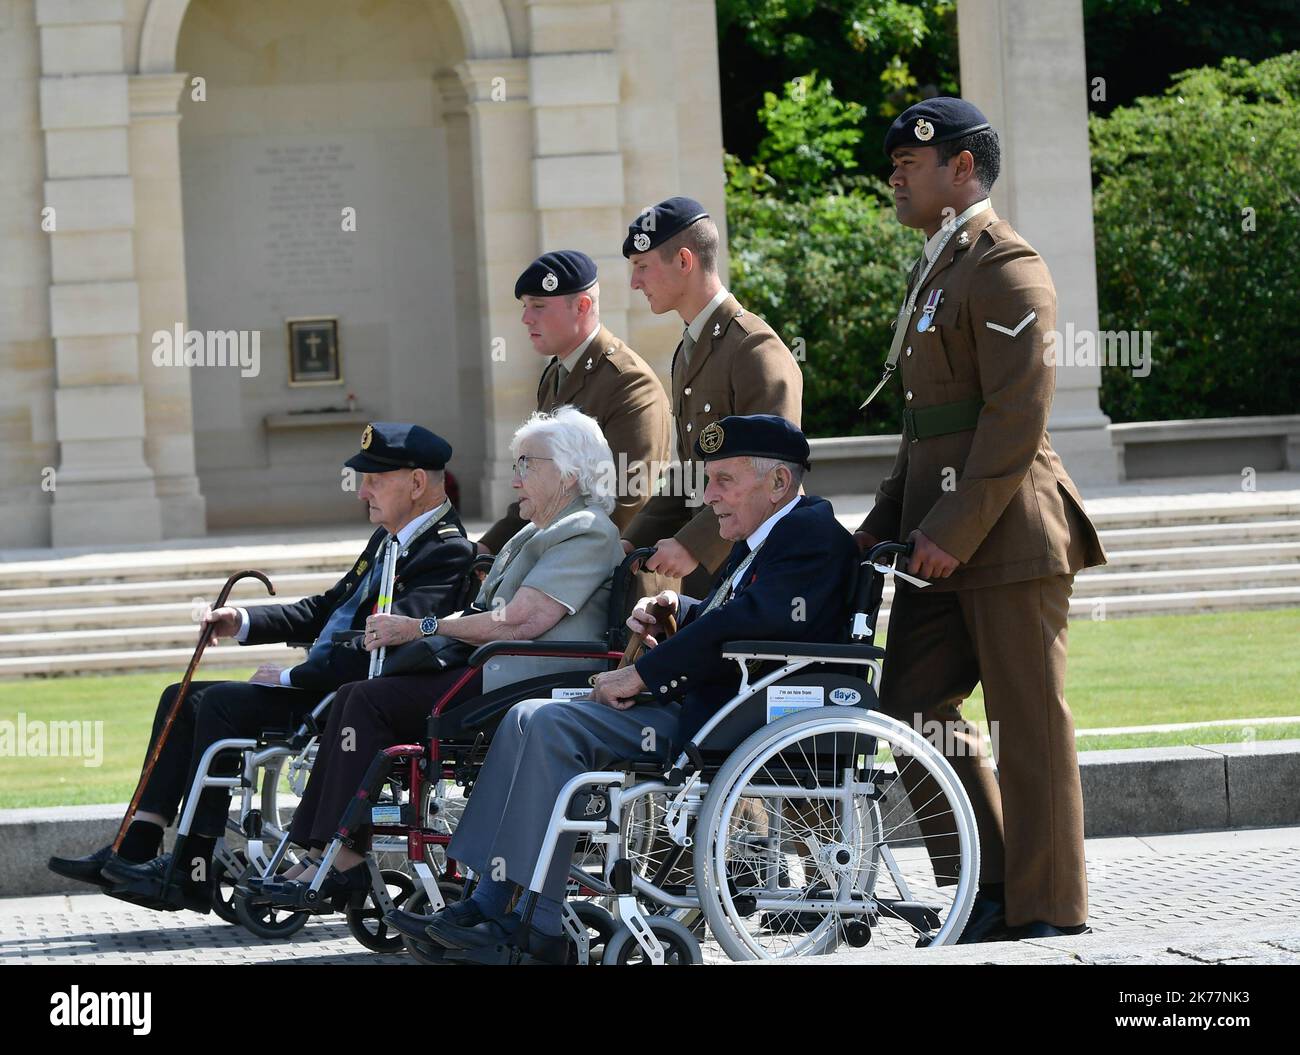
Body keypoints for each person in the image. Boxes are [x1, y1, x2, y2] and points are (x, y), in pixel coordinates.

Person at [390, 414, 857, 963]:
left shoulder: (809, 534)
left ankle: (528, 916)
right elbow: (734, 617)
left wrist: (640, 674)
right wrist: (675, 608)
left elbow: (749, 623)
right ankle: (490, 897)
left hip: (744, 719)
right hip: (714, 706)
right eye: (710, 480)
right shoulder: (770, 532)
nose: (709, 497)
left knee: (548, 722)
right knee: (526, 716)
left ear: (778, 483)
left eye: (723, 481)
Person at [855, 97, 1107, 942]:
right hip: (939, 537)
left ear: (963, 168)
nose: (895, 174)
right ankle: (983, 885)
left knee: (1027, 720)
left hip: (1006, 533)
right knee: (914, 704)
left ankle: (1047, 905)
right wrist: (878, 525)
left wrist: (950, 530)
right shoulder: (937, 268)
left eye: (911, 163)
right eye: (893, 163)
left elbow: (1015, 417)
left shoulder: (1005, 262)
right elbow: (923, 425)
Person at [47, 423, 474, 911]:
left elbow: (380, 648)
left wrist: (292, 676)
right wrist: (243, 620)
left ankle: (193, 866)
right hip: (329, 685)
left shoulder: (445, 551)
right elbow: (325, 609)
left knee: (221, 705)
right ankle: (135, 846)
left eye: (375, 478)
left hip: (348, 697)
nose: (362, 491)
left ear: (417, 483)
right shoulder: (390, 540)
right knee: (178, 696)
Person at [263, 406, 628, 906]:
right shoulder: (535, 530)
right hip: (495, 669)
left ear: (568, 472)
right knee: (356, 697)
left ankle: (338, 856)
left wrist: (422, 627)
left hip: (527, 677)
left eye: (527, 464)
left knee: (366, 702)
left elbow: (522, 621)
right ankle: (322, 849)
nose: (515, 477)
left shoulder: (585, 529)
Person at [619, 197, 803, 596]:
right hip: (713, 569)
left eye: (642, 266)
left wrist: (695, 545)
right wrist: (631, 539)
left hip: (757, 570)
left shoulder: (754, 349)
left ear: (684, 261)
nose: (635, 282)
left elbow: (776, 475)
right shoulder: (691, 350)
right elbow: (690, 473)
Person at [477, 250, 670, 554]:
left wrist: (548, 562)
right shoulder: (556, 374)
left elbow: (628, 501)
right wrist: (487, 548)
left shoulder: (629, 382)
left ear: (582, 306)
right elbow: (536, 487)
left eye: (539, 306)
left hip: (603, 574)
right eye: (525, 307)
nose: (526, 318)